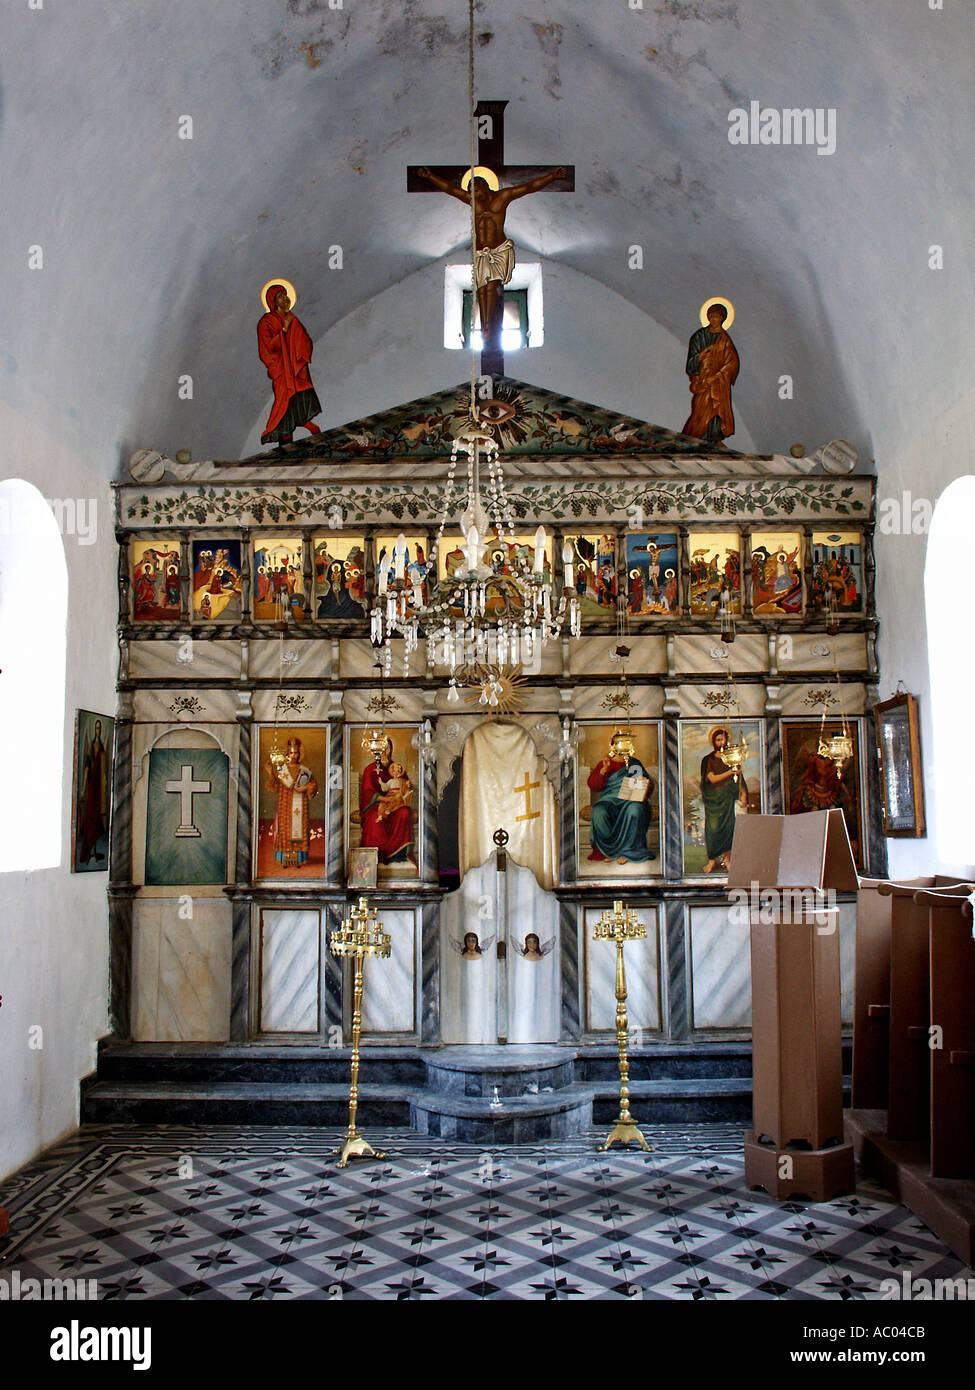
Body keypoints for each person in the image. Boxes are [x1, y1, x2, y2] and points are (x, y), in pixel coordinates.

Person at [417, 165, 565, 354]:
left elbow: (528, 187)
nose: (473, 194)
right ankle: (486, 326)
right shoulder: (473, 201)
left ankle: (488, 326)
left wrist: (551, 176)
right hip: (480, 253)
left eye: (475, 189)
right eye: (470, 191)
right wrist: (430, 177)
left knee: (493, 287)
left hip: (498, 250)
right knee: (482, 289)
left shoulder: (501, 198)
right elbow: (451, 190)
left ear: (484, 185)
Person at [257, 283, 323, 446]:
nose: (285, 299)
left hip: (295, 368)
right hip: (281, 369)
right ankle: (285, 439)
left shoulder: (292, 318)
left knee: (301, 395)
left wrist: (300, 349)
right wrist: (283, 331)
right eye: (280, 296)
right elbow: (267, 348)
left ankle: (305, 423)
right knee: (285, 400)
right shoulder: (266, 322)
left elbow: (304, 341)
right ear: (273, 301)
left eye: (286, 295)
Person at [587, 736, 655, 864]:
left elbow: (645, 787)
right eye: (621, 744)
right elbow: (594, 786)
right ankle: (609, 851)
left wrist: (643, 782)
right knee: (598, 811)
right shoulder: (605, 763)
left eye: (626, 744)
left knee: (635, 809)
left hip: (630, 800)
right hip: (609, 801)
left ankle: (627, 851)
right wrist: (603, 771)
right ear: (613, 746)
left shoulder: (634, 763)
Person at [682, 303, 740, 444]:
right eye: (711, 316)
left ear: (722, 318)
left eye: (717, 317)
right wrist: (701, 356)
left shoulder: (725, 340)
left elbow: (732, 364)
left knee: (716, 411)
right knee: (700, 410)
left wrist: (717, 376)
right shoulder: (699, 336)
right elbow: (691, 362)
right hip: (702, 381)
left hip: (718, 383)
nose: (713, 319)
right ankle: (696, 437)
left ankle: (711, 438)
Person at [700, 726, 748, 873]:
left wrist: (743, 794)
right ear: (713, 741)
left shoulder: (732, 758)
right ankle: (712, 861)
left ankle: (728, 860)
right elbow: (712, 779)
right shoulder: (708, 760)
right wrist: (730, 771)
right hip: (714, 800)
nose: (721, 742)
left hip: (729, 799)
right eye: (718, 739)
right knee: (713, 829)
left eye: (723, 739)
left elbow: (739, 779)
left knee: (730, 829)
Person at [267, 737, 319, 868]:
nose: (293, 755)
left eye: (295, 752)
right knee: (285, 830)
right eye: (290, 753)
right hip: (285, 804)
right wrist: (270, 773)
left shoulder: (304, 771)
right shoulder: (282, 770)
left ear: (299, 753)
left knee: (299, 828)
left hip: (300, 804)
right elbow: (274, 787)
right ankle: (284, 858)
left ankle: (299, 858)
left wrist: (306, 787)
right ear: (287, 754)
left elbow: (313, 785)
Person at [359, 740, 413, 864]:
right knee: (375, 818)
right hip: (376, 804)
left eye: (386, 748)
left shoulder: (397, 767)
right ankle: (377, 855)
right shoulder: (370, 769)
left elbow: (405, 786)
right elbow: (367, 793)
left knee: (404, 813)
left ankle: (397, 853)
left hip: (397, 803)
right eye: (381, 748)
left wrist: (406, 787)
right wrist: (386, 799)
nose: (384, 751)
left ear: (390, 749)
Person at [77, 718, 109, 865]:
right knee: (90, 818)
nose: (98, 731)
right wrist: (83, 789)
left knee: (97, 820)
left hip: (100, 788)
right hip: (92, 787)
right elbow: (86, 768)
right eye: (96, 728)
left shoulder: (102, 748)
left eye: (99, 729)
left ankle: (95, 850)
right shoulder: (91, 747)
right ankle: (88, 851)